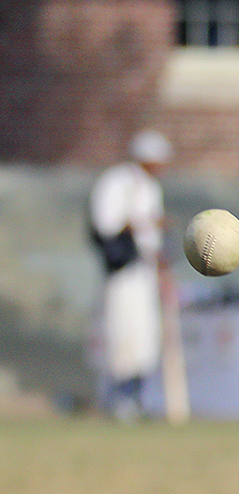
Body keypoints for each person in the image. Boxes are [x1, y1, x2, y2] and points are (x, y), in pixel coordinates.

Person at [88, 129, 172, 420]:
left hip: (145, 270)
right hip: (124, 269)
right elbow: (106, 225)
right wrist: (144, 223)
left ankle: (138, 396)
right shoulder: (117, 182)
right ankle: (119, 397)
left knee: (145, 336)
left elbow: (153, 237)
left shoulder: (151, 187)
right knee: (123, 333)